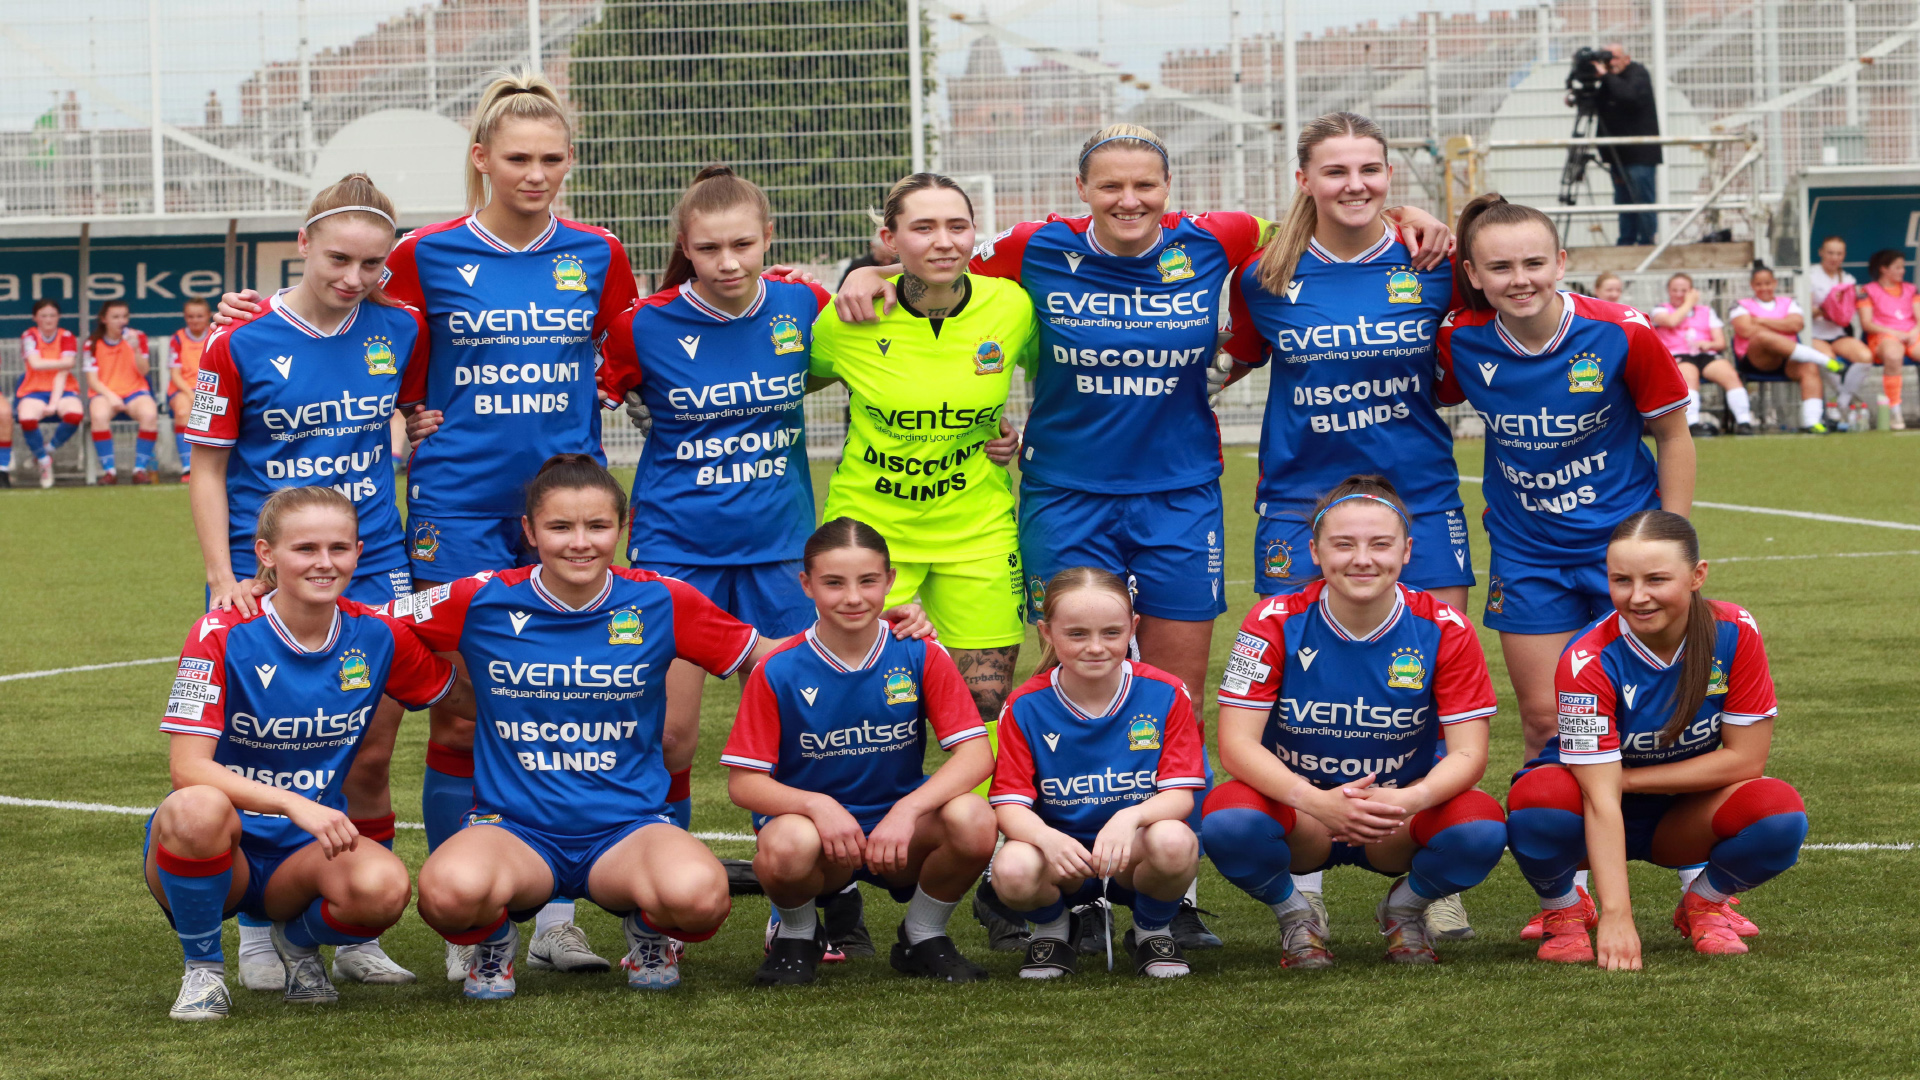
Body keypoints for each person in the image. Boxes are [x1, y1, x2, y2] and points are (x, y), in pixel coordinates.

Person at [225, 69, 641, 975]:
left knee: (568, 708)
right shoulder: (425, 255)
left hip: (568, 511)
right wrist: (249, 312)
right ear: (482, 159)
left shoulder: (601, 253)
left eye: (553, 160)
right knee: (451, 715)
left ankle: (558, 915)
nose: (537, 175)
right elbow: (336, 311)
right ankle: (474, 930)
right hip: (451, 509)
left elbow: (632, 349)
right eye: (519, 158)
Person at [1219, 110, 1477, 939]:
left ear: (1391, 176)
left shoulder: (1431, 259)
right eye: (1336, 171)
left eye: (1372, 168)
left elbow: (1512, 290)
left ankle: (1430, 874)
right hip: (1302, 505)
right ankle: (1313, 861)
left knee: (1437, 678)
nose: (1356, 184)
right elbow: (1233, 362)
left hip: (1422, 498)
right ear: (1304, 181)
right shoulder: (1264, 273)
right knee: (1299, 684)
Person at [397, 455, 783, 999]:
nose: (580, 542)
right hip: (514, 830)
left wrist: (869, 630)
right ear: (529, 531)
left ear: (621, 529)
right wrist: (446, 692)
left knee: (701, 897)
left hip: (628, 828)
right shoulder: (481, 596)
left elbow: (769, 656)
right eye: (559, 527)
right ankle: (494, 943)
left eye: (597, 526)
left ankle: (649, 933)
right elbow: (374, 627)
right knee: (447, 893)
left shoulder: (662, 599)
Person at [187, 174, 427, 988]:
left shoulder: (400, 328)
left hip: (375, 564)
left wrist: (416, 423)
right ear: (302, 243)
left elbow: (417, 411)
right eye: (337, 258)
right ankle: (259, 925)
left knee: (369, 753)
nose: (352, 278)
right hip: (271, 573)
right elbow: (208, 465)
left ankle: (353, 929)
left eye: (370, 263)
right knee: (260, 747)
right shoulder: (240, 337)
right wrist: (225, 575)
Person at [146, 486, 474, 1020]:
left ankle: (297, 944)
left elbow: (462, 700)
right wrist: (294, 803)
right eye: (305, 549)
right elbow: (187, 768)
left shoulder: (377, 635)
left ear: (359, 554)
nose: (325, 563)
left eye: (339, 548)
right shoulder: (220, 632)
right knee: (193, 807)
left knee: (385, 887)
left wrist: (564, 691)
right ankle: (203, 972)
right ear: (267, 554)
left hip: (303, 858)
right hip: (224, 850)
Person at [1202, 476, 1505, 968]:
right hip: (1302, 815)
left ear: (1406, 551)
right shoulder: (1270, 621)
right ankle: (1296, 916)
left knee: (1481, 827)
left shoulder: (1446, 627)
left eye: (1379, 544)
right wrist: (1317, 802)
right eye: (1343, 544)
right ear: (1315, 552)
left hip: (1394, 816)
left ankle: (1404, 909)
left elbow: (1471, 753)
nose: (1362, 558)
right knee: (1228, 817)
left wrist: (1407, 799)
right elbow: (1236, 744)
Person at [1436, 193, 1693, 769]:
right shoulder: (1460, 337)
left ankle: (1679, 846)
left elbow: (1673, 436)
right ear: (1473, 275)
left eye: (1534, 264)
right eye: (1500, 268)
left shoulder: (1622, 331)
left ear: (1561, 262)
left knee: (1657, 715)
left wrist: (1669, 540)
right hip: (1527, 554)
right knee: (1547, 721)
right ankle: (1567, 858)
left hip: (1623, 547)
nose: (1520, 280)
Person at [1506, 510, 1805, 967]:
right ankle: (1565, 909)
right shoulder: (1586, 659)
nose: (1638, 597)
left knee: (1777, 812)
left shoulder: (1735, 631)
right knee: (1535, 798)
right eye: (1621, 580)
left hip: (1683, 814)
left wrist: (1627, 781)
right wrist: (1617, 916)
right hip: (1589, 811)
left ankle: (1704, 903)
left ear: (1697, 575)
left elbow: (1746, 761)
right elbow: (1601, 800)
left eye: (1657, 579)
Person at [723, 517, 997, 986]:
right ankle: (798, 935)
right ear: (807, 585)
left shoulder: (922, 653)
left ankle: (922, 936)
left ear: (890, 581)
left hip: (898, 835)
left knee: (973, 819)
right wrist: (818, 806)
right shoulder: (779, 667)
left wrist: (908, 810)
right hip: (818, 840)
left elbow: (976, 754)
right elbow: (744, 783)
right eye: (834, 583)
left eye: (868, 581)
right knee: (787, 842)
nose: (853, 597)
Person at [811, 173, 1035, 735]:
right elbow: (776, 380)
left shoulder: (1010, 306)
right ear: (890, 239)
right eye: (923, 227)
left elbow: (1070, 373)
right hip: (871, 532)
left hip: (977, 531)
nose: (944, 241)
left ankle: (983, 823)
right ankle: (868, 817)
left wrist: (1017, 435)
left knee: (985, 705)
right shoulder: (848, 318)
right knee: (866, 701)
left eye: (957, 226)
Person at [986, 567, 1205, 980]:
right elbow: (1009, 804)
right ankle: (1053, 930)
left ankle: (1151, 932)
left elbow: (1180, 796)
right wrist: (1046, 838)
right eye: (1077, 634)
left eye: (1111, 632)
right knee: (1011, 869)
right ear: (1047, 633)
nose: (1095, 647)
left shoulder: (1166, 692)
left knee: (1175, 839)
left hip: (1132, 854)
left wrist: (1129, 817)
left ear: (1133, 628)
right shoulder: (1025, 705)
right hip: (1060, 860)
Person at [1729, 263, 1844, 434]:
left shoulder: (1789, 302)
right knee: (1762, 338)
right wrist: (1782, 326)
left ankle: (1813, 422)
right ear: (1752, 286)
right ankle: (1825, 360)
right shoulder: (1740, 304)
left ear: (1774, 283)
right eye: (1759, 284)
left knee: (1808, 367)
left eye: (1767, 283)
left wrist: (1761, 320)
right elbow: (1746, 330)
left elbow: (1797, 324)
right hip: (1757, 359)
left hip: (1787, 359)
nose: (1764, 288)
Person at [1651, 272, 1752, 437]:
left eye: (1684, 290)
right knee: (1689, 377)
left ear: (1691, 291)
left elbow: (1721, 343)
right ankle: (1692, 423)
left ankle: (1744, 421)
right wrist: (1689, 303)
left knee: (1730, 375)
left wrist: (1708, 344)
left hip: (1705, 354)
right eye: (1675, 290)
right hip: (1679, 355)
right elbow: (1671, 321)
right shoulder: (1661, 309)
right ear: (1668, 291)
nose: (1679, 294)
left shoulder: (1706, 311)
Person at [1590, 43, 1661, 246]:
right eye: (1607, 59)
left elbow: (1629, 96)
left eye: (1614, 58)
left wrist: (1606, 76)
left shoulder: (1637, 73)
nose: (1610, 63)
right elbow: (1599, 104)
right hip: (1618, 155)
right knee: (1623, 201)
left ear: (1626, 59)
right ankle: (1626, 241)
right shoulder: (1609, 80)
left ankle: (1647, 241)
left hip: (1640, 155)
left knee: (1643, 200)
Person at [82, 299, 158, 484]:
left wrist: (136, 349)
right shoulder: (92, 343)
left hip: (135, 391)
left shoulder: (137, 337)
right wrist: (111, 396)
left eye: (124, 316)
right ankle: (110, 471)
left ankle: (139, 470)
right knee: (98, 415)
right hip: (105, 393)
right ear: (104, 319)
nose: (121, 321)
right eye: (115, 317)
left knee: (149, 413)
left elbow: (144, 370)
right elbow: (92, 380)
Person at [15, 298, 83, 489]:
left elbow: (64, 371)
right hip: (33, 390)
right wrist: (63, 362)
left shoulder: (67, 336)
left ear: (58, 317)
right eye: (43, 315)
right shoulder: (29, 335)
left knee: (75, 414)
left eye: (52, 315)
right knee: (26, 418)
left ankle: (45, 450)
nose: (48, 319)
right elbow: (35, 364)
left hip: (64, 390)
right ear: (35, 317)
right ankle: (45, 462)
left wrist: (53, 403)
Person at [1857, 248, 1919, 432]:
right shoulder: (1867, 290)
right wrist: (1895, 333)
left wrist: (1914, 332)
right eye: (1898, 267)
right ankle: (1894, 409)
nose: (1902, 271)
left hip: (1912, 335)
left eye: (1903, 267)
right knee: (1893, 355)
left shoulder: (1911, 288)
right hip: (1884, 335)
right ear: (1884, 269)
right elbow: (1867, 323)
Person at [167, 298, 214, 482]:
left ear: (208, 316)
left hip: (210, 387)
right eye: (190, 316)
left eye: (199, 316)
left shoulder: (216, 333)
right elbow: (175, 373)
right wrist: (190, 394)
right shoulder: (178, 338)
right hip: (184, 388)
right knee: (183, 411)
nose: (194, 320)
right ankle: (188, 466)